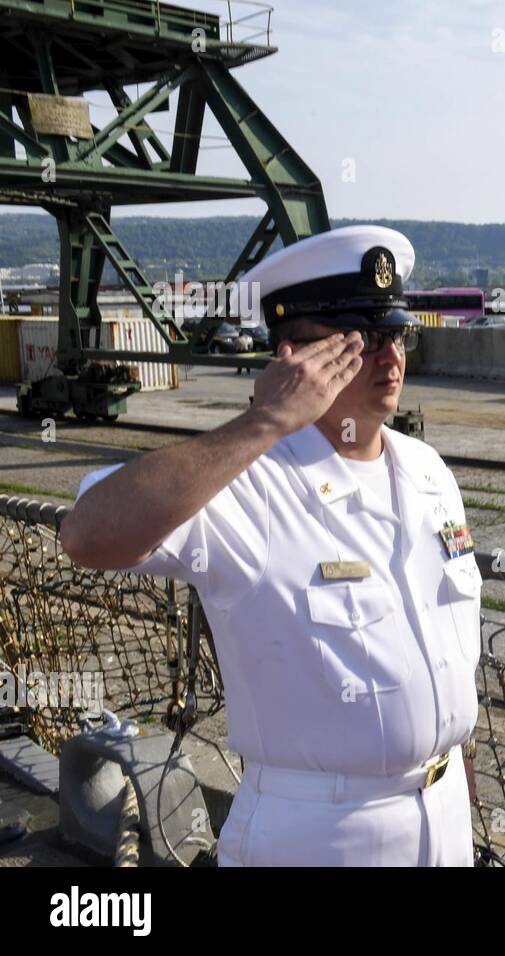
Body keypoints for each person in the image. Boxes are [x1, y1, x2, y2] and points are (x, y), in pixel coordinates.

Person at [59, 225, 483, 866]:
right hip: (320, 833)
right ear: (293, 355)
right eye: (360, 340)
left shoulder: (428, 475)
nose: (389, 357)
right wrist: (262, 421)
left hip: (443, 818)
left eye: (396, 334)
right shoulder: (250, 484)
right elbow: (88, 533)